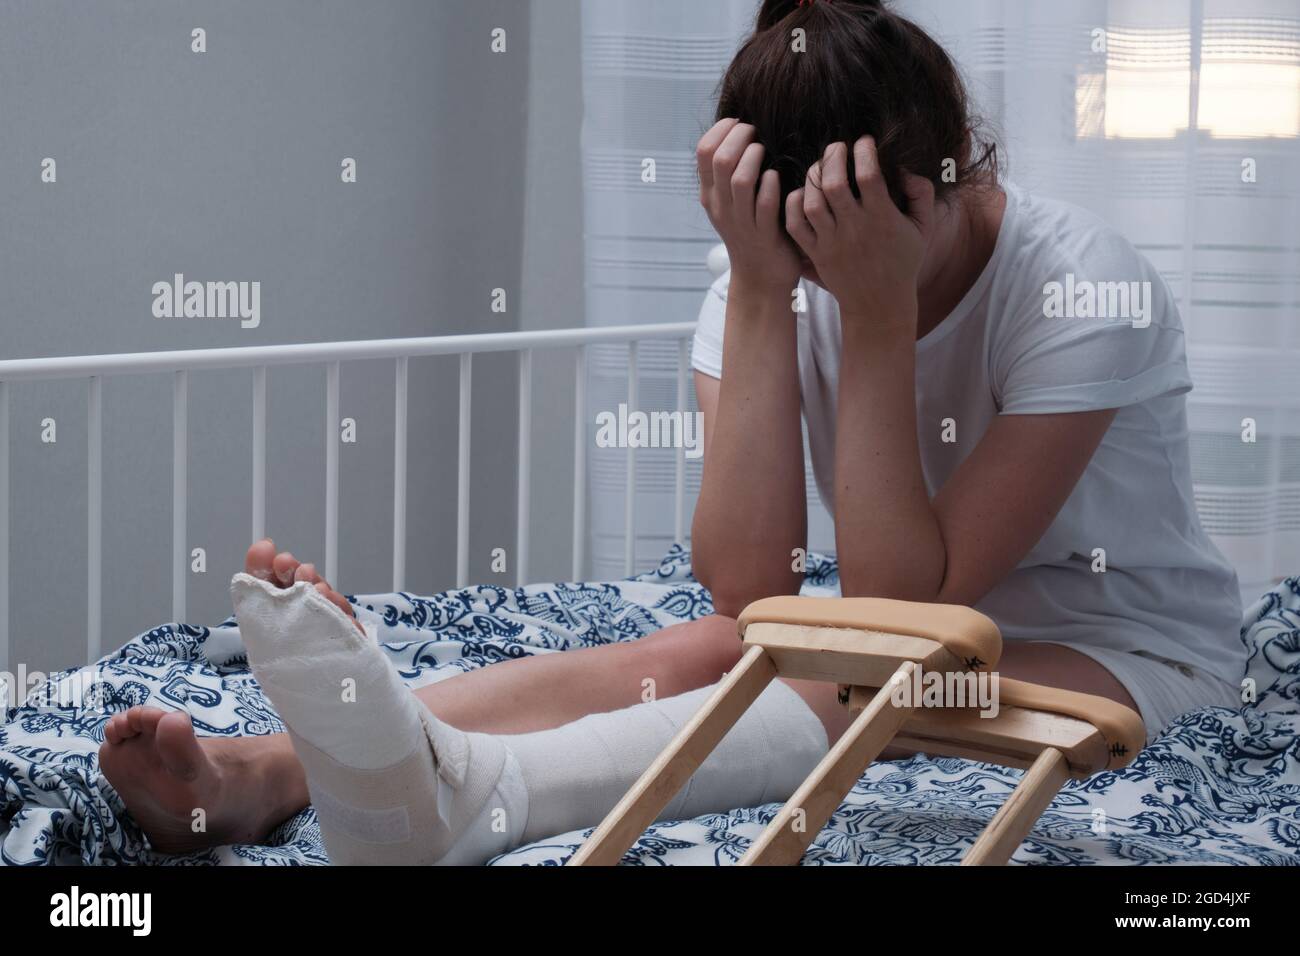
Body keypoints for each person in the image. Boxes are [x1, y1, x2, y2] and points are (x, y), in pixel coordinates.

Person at [100, 0, 1243, 864]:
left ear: (953, 169)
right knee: (699, 654)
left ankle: (474, 794)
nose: (823, 268)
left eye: (855, 236)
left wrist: (878, 312)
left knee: (874, 685)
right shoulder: (764, 265)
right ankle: (273, 768)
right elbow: (748, 584)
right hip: (892, 632)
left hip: (1123, 652)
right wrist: (756, 291)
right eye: (797, 242)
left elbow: (910, 615)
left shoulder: (1083, 289)